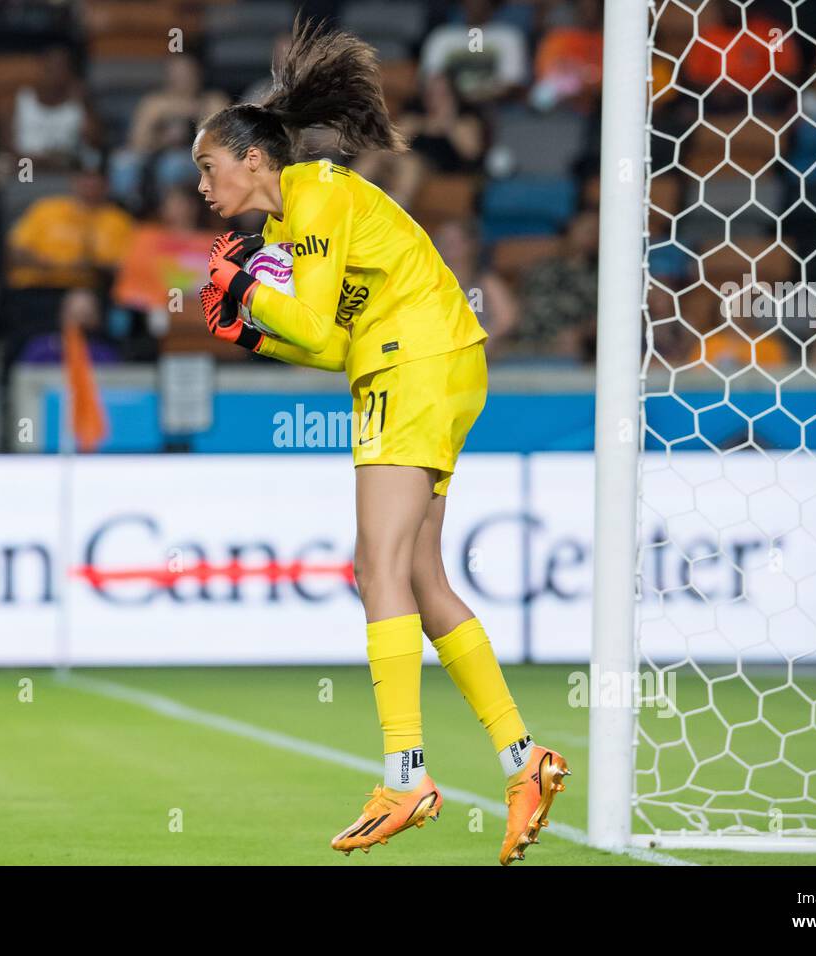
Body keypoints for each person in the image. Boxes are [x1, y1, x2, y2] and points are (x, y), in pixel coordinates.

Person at [190, 16, 570, 865]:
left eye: (209, 168)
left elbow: (316, 321)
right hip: (427, 365)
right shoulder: (295, 227)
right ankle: (524, 760)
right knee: (421, 577)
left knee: (376, 568)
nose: (204, 188)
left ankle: (405, 774)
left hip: (416, 365)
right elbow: (324, 343)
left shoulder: (317, 195)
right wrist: (253, 324)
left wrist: (248, 291)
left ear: (255, 159)